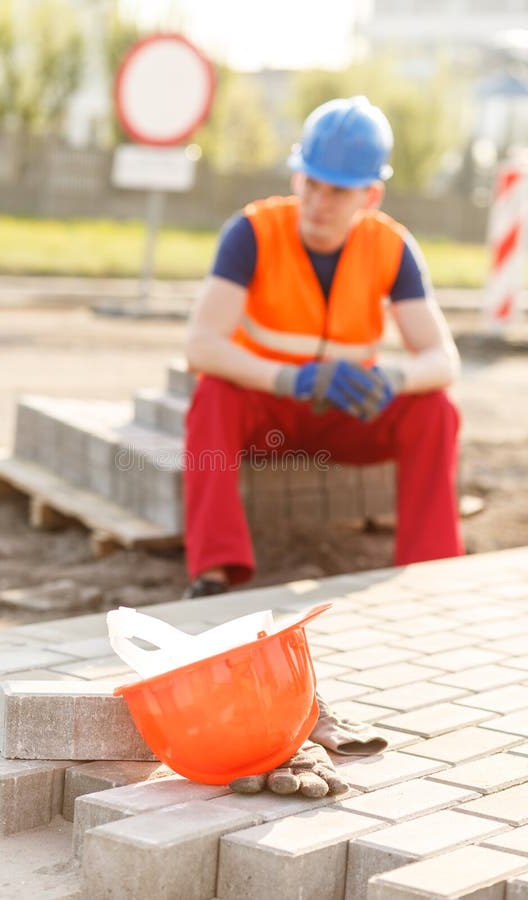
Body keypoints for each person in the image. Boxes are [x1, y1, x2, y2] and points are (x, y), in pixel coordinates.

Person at [182, 96, 464, 797]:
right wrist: (291, 377)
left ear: (370, 195)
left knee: (435, 410)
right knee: (211, 397)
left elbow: (443, 359)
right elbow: (202, 344)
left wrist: (392, 379)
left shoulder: (392, 247)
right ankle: (216, 570)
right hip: (271, 410)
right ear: (296, 176)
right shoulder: (251, 232)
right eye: (310, 182)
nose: (318, 201)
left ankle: (432, 566)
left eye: (338, 190)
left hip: (345, 414)